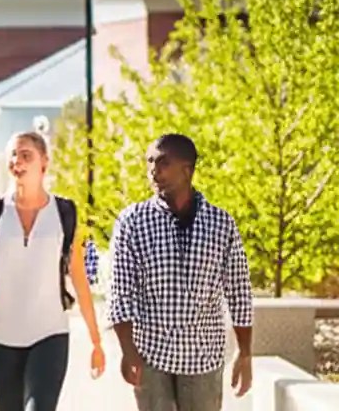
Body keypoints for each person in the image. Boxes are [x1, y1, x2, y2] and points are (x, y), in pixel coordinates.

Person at [0, 130, 105, 411]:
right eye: (13, 155)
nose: (17, 161)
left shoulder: (64, 213)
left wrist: (96, 342)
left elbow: (79, 280)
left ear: (44, 163)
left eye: (26, 155)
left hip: (49, 335)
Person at [108, 134, 253, 411]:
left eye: (163, 162)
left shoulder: (221, 224)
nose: (153, 170)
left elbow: (239, 292)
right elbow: (120, 293)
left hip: (203, 357)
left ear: (187, 169)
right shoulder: (132, 222)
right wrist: (128, 350)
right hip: (150, 355)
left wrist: (244, 353)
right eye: (149, 161)